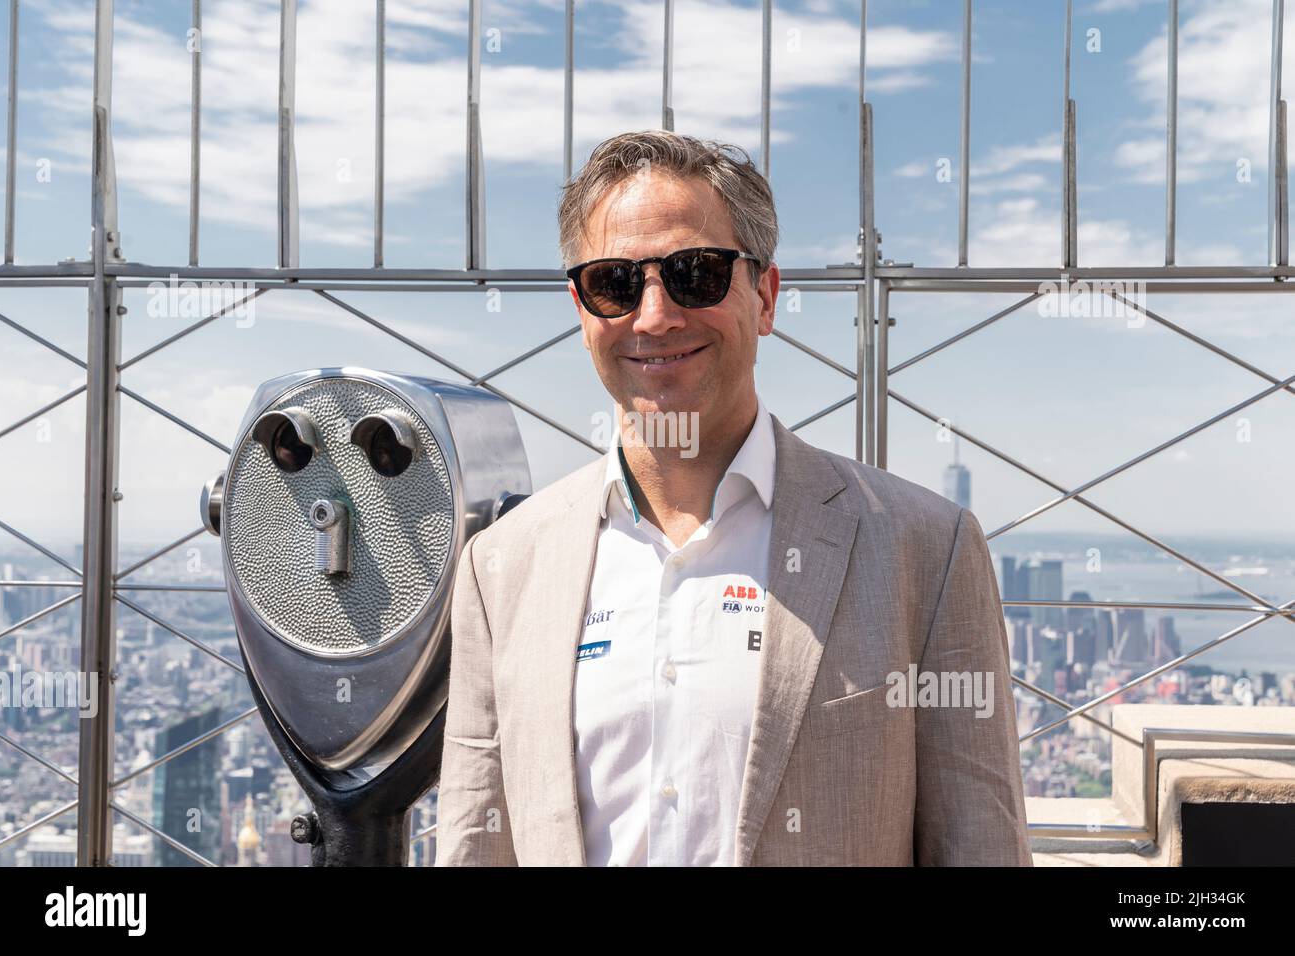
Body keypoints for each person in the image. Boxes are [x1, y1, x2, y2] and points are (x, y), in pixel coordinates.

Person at [434, 129, 1031, 866]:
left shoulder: (924, 551)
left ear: (767, 295)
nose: (654, 316)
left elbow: (981, 847)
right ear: (582, 311)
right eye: (615, 283)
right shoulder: (500, 568)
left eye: (696, 273)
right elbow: (473, 845)